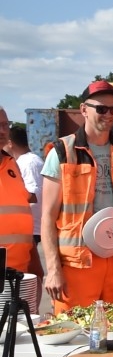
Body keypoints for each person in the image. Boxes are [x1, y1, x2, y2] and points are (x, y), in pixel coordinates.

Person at [41, 82, 113, 313]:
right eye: (101, 109)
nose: (108, 115)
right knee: (74, 334)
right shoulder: (63, 152)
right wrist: (53, 269)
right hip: (78, 261)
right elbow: (47, 217)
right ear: (84, 109)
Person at [0, 109, 37, 282]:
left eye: (5, 125)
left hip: (19, 271)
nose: (2, 131)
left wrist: (34, 259)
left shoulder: (12, 164)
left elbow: (21, 209)